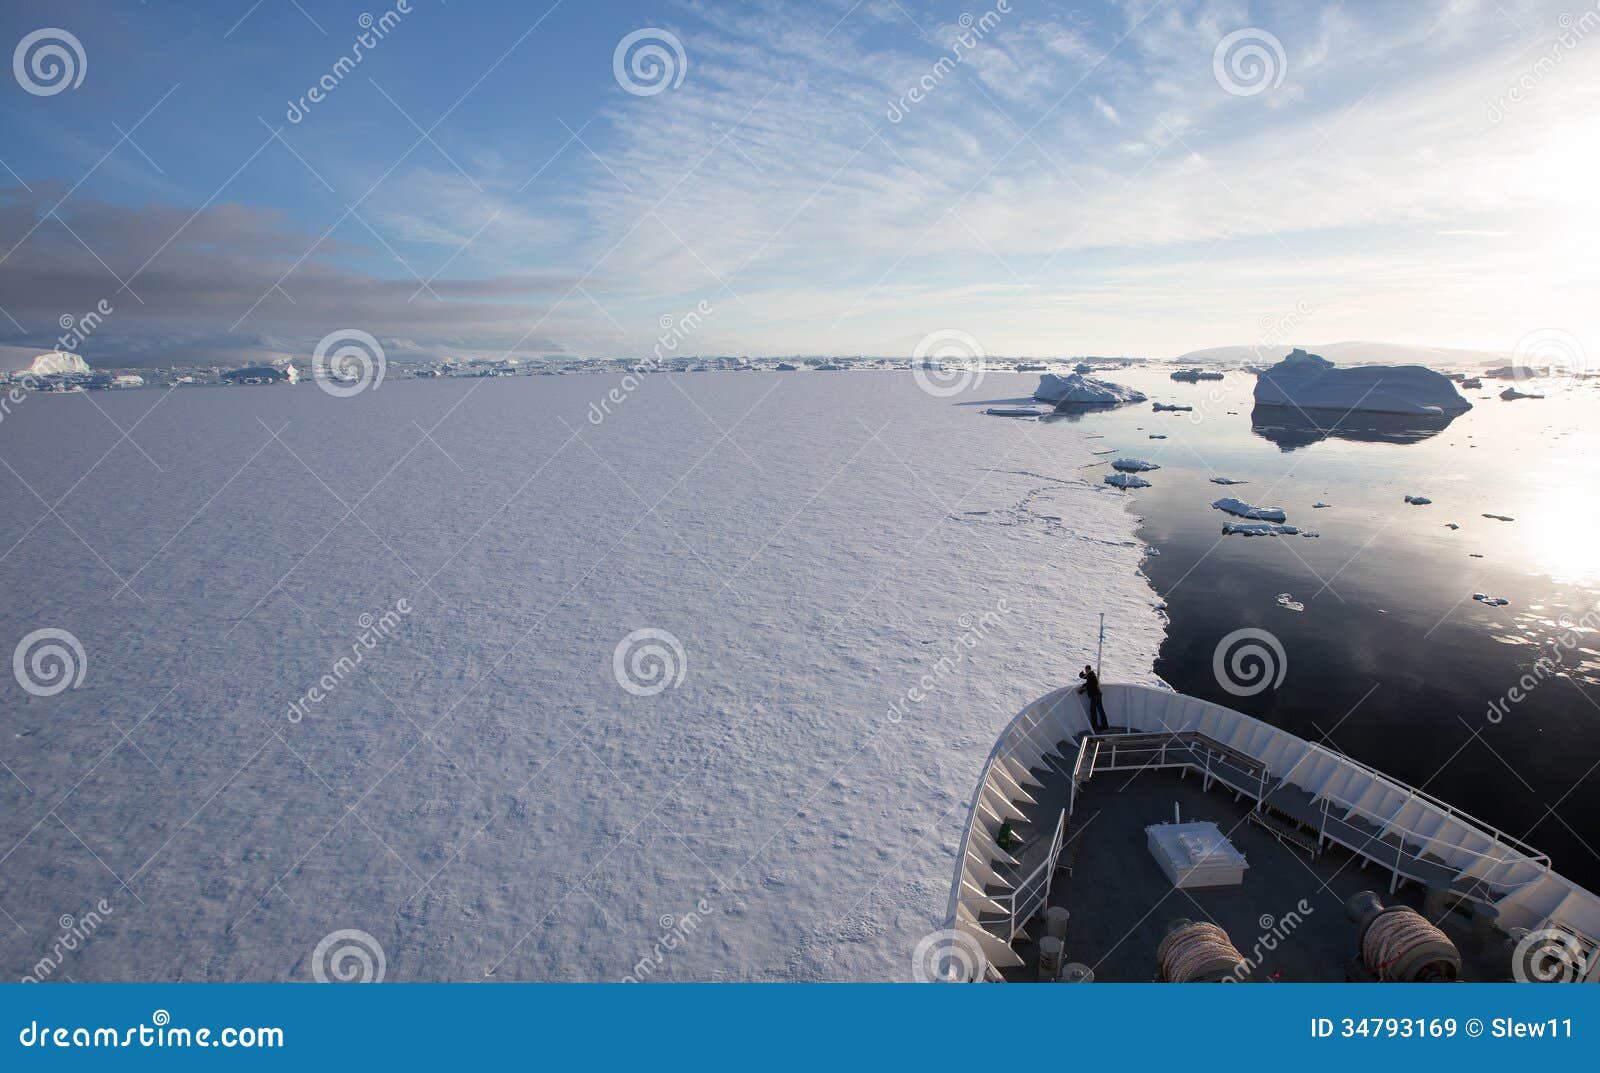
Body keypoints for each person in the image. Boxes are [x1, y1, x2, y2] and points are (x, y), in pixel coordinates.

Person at [1078, 664, 1108, 733]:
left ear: (1088, 670)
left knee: (1093, 711)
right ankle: (1105, 725)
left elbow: (1087, 682)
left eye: (1086, 670)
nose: (1085, 671)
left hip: (1095, 696)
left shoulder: (1090, 675)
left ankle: (1095, 726)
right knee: (1100, 710)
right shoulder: (1092, 675)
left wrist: (1082, 688)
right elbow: (1087, 680)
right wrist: (1084, 684)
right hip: (1098, 694)